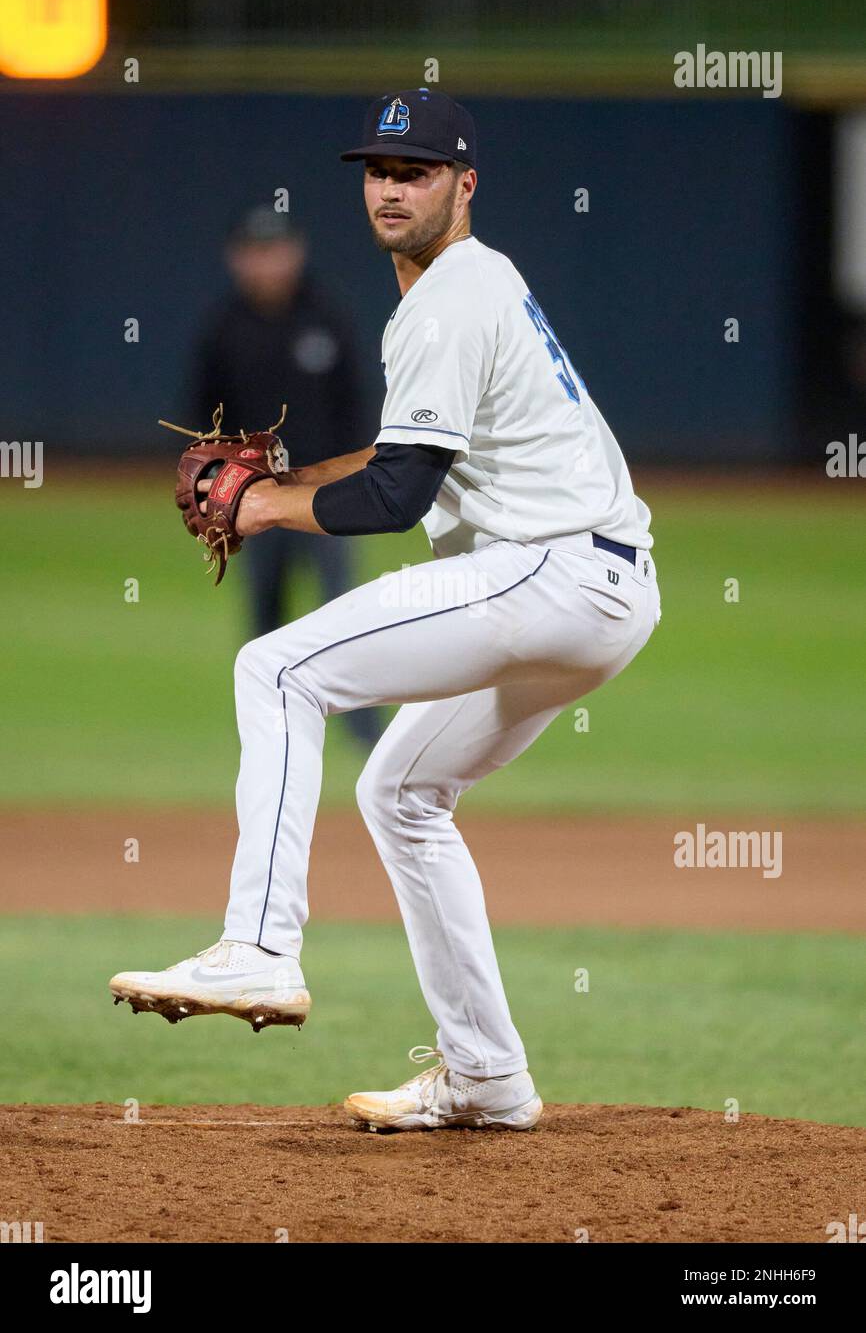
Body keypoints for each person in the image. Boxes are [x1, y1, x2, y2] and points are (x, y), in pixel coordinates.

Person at [111, 89, 661, 1134]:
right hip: (601, 587)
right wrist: (289, 483)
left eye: (413, 171)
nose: (390, 188)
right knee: (400, 794)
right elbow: (403, 457)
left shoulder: (452, 294)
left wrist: (266, 501)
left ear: (463, 183)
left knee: (274, 668)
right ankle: (487, 1075)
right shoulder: (471, 287)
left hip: (544, 570)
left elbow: (399, 498)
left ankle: (259, 949)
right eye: (376, 170)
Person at [187, 204, 380, 747]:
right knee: (265, 617)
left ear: (296, 253)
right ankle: (271, 729)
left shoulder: (326, 315)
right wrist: (217, 487)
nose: (267, 262)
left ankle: (365, 736)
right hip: (254, 501)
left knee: (345, 613)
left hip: (328, 498)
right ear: (236, 259)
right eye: (255, 251)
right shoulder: (223, 327)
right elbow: (203, 418)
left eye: (276, 250)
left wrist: (356, 483)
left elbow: (356, 404)